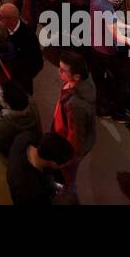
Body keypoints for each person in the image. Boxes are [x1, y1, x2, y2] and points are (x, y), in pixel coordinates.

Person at [52, 51, 97, 195]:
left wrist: (68, 157)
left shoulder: (76, 104)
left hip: (69, 147)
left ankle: (69, 194)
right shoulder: (79, 82)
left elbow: (76, 137)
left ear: (77, 76)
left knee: (68, 173)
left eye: (63, 70)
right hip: (61, 132)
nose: (59, 72)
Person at [7, 131, 74, 204]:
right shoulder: (28, 188)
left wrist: (54, 185)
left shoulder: (26, 137)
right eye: (64, 164)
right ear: (54, 163)